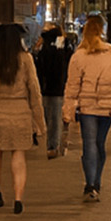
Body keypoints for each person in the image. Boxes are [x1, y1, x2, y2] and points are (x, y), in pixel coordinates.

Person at [61, 14, 111, 202]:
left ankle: (90, 184)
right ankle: (96, 182)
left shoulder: (78, 56)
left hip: (87, 108)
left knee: (89, 144)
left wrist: (68, 110)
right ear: (102, 31)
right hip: (107, 109)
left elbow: (72, 87)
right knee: (99, 143)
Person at [0, 23, 44, 214]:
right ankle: (18, 198)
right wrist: (39, 120)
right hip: (19, 112)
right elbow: (34, 89)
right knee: (18, 154)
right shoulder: (26, 59)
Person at [34, 26, 72, 159]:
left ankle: (53, 146)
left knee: (53, 119)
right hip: (55, 88)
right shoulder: (52, 49)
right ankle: (54, 145)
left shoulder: (50, 49)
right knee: (53, 119)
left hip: (50, 88)